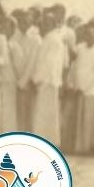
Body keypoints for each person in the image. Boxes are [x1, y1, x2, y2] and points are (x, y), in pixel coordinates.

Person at [30, 12, 65, 146]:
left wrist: (37, 78)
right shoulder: (51, 38)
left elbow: (49, 63)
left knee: (44, 114)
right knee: (45, 114)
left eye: (44, 23)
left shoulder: (52, 39)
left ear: (51, 24)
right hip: (48, 81)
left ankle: (45, 142)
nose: (42, 26)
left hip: (47, 81)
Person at [72, 23, 94, 155]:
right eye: (87, 34)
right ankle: (81, 147)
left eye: (92, 35)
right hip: (79, 88)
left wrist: (84, 87)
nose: (89, 37)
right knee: (80, 119)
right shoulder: (80, 48)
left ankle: (90, 147)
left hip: (92, 90)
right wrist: (76, 85)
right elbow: (75, 66)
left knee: (90, 119)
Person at [11, 10, 41, 131]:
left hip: (27, 82)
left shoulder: (35, 39)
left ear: (30, 23)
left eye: (26, 21)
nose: (23, 24)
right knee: (16, 114)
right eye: (21, 21)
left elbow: (32, 63)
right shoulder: (14, 37)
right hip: (14, 80)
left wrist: (23, 82)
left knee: (27, 114)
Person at [0, 16, 23, 132]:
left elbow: (19, 67)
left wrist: (17, 80)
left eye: (6, 26)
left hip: (9, 81)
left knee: (8, 111)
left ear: (12, 30)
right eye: (2, 25)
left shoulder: (14, 46)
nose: (3, 28)